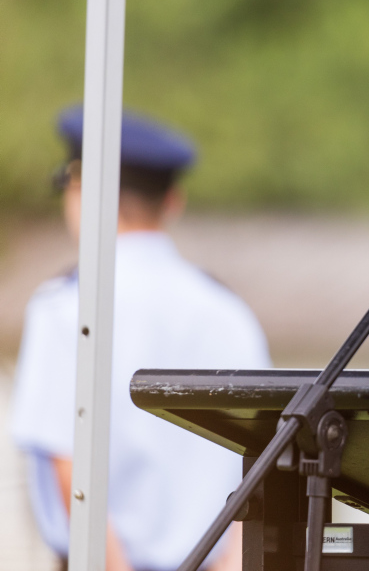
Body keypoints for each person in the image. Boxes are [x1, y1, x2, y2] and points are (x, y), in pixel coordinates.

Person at [10, 106, 271, 571]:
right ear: (173, 200)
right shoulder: (230, 312)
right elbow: (264, 460)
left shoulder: (64, 307)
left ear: (83, 193)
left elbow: (66, 465)